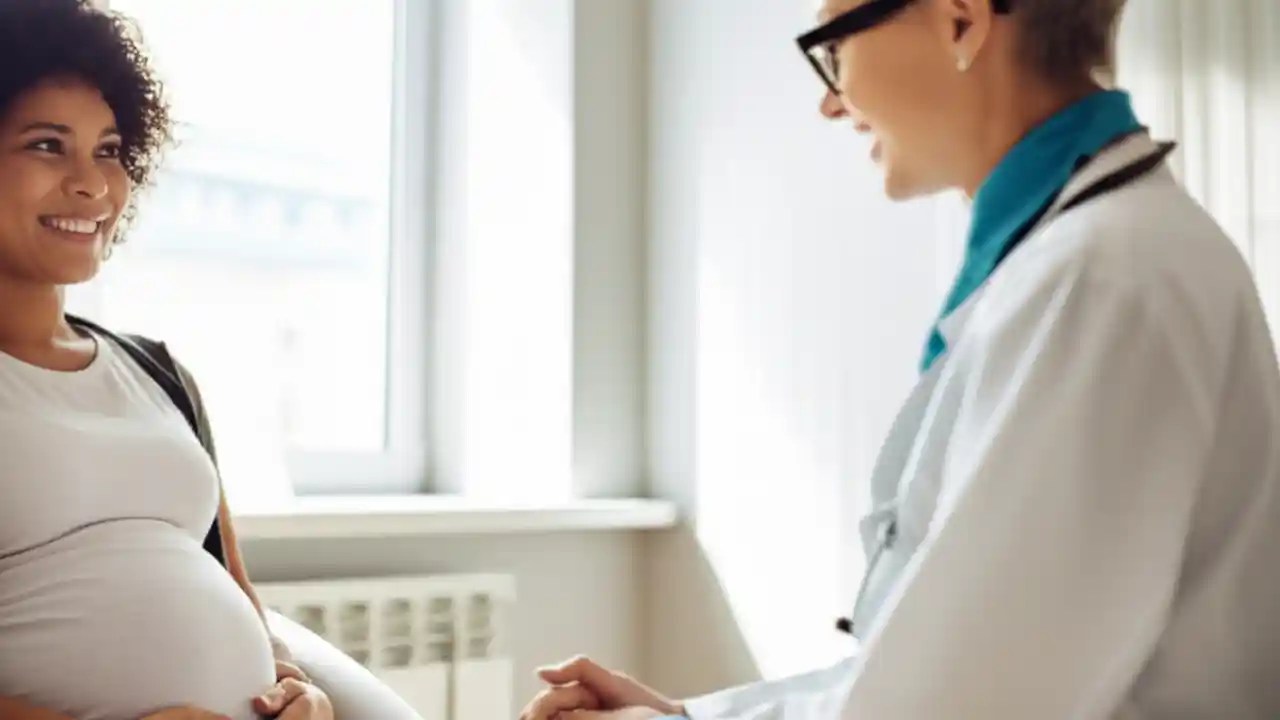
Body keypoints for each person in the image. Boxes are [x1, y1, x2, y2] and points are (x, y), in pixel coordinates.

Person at [522, 0, 1280, 717]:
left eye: (834, 47)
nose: (831, 102)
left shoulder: (1100, 278)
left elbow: (970, 700)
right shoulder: (1078, 262)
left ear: (960, 21)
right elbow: (940, 669)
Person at [0, 2, 334, 719]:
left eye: (109, 149)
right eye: (48, 145)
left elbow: (234, 590)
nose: (93, 184)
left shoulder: (157, 374)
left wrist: (297, 688)